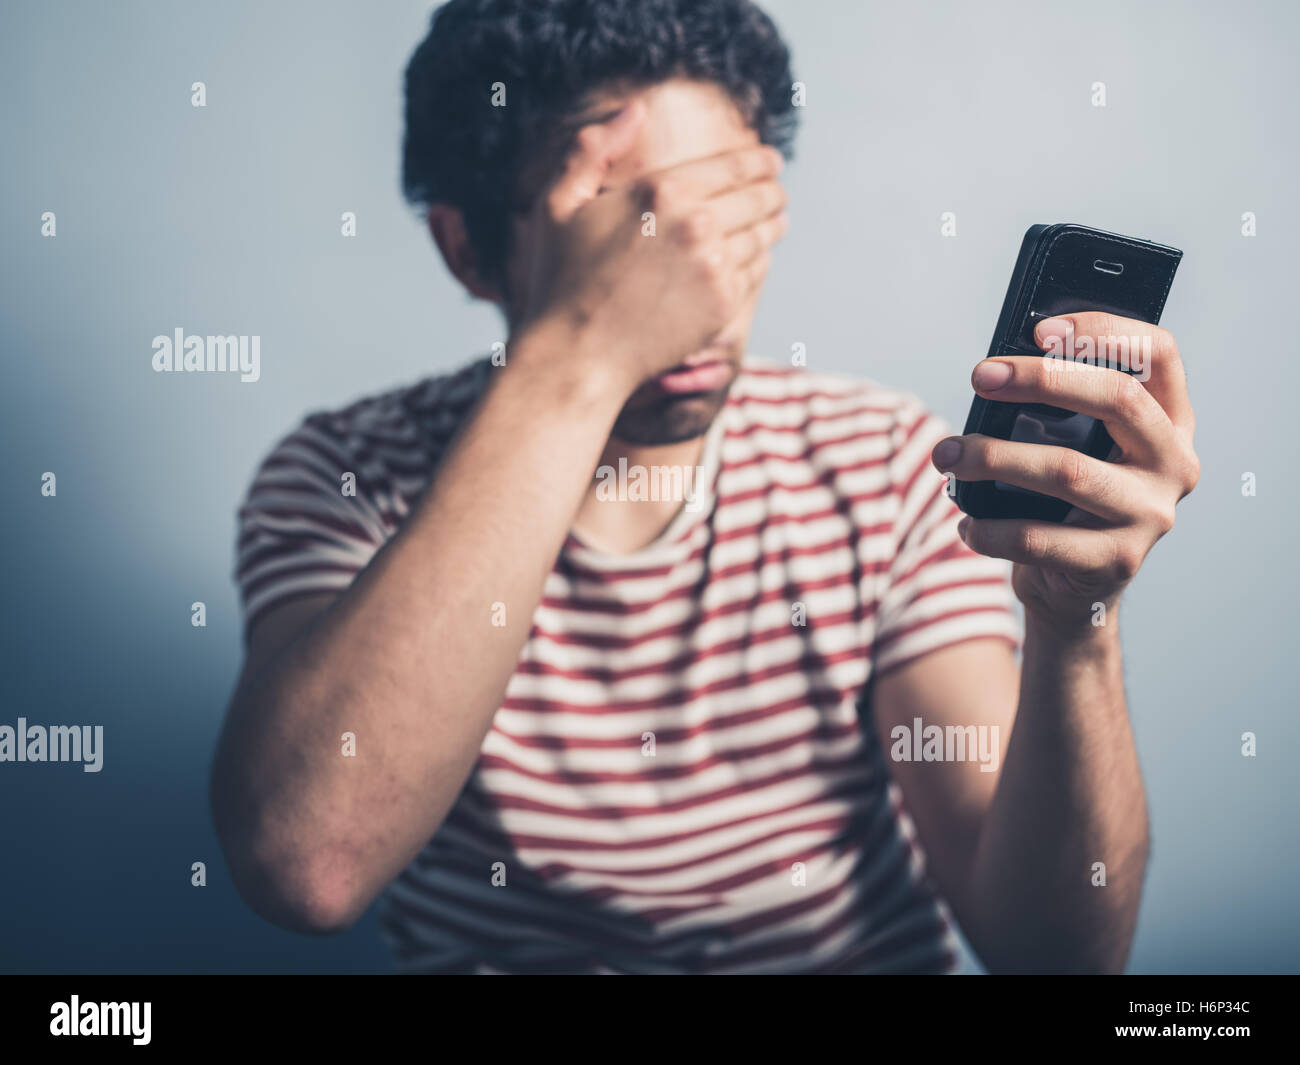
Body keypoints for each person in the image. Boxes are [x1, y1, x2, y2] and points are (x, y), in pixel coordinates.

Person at [210, 0, 1200, 974]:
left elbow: (1053, 958)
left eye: (723, 225)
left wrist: (1075, 625)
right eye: (628, 234)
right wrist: (583, 357)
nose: (701, 297)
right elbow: (309, 864)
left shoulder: (883, 464)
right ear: (467, 248)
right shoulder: (343, 476)